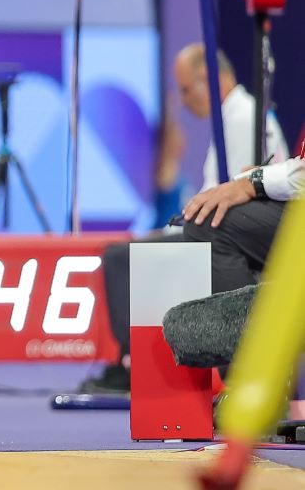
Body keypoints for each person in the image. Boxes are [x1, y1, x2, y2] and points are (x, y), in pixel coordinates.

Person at [81, 45, 291, 395]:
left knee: (122, 258)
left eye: (186, 90)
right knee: (130, 250)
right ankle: (134, 359)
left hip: (236, 225)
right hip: (222, 219)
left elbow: (238, 191)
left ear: (209, 78)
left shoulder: (245, 117)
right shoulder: (232, 117)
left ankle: (131, 363)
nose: (184, 99)